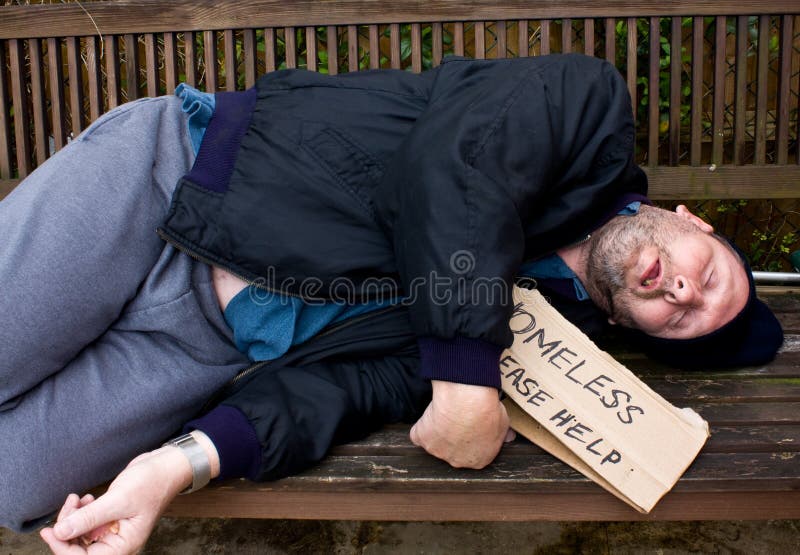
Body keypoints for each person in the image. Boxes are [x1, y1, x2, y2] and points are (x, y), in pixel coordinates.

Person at [0, 53, 781, 552]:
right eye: (708, 275)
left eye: (681, 319)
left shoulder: (547, 339)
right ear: (694, 223)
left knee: (15, 481)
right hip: (170, 184)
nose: (682, 291)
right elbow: (458, 169)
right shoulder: (589, 114)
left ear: (629, 324)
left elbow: (356, 387)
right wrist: (465, 376)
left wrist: (178, 466)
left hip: (205, 344)